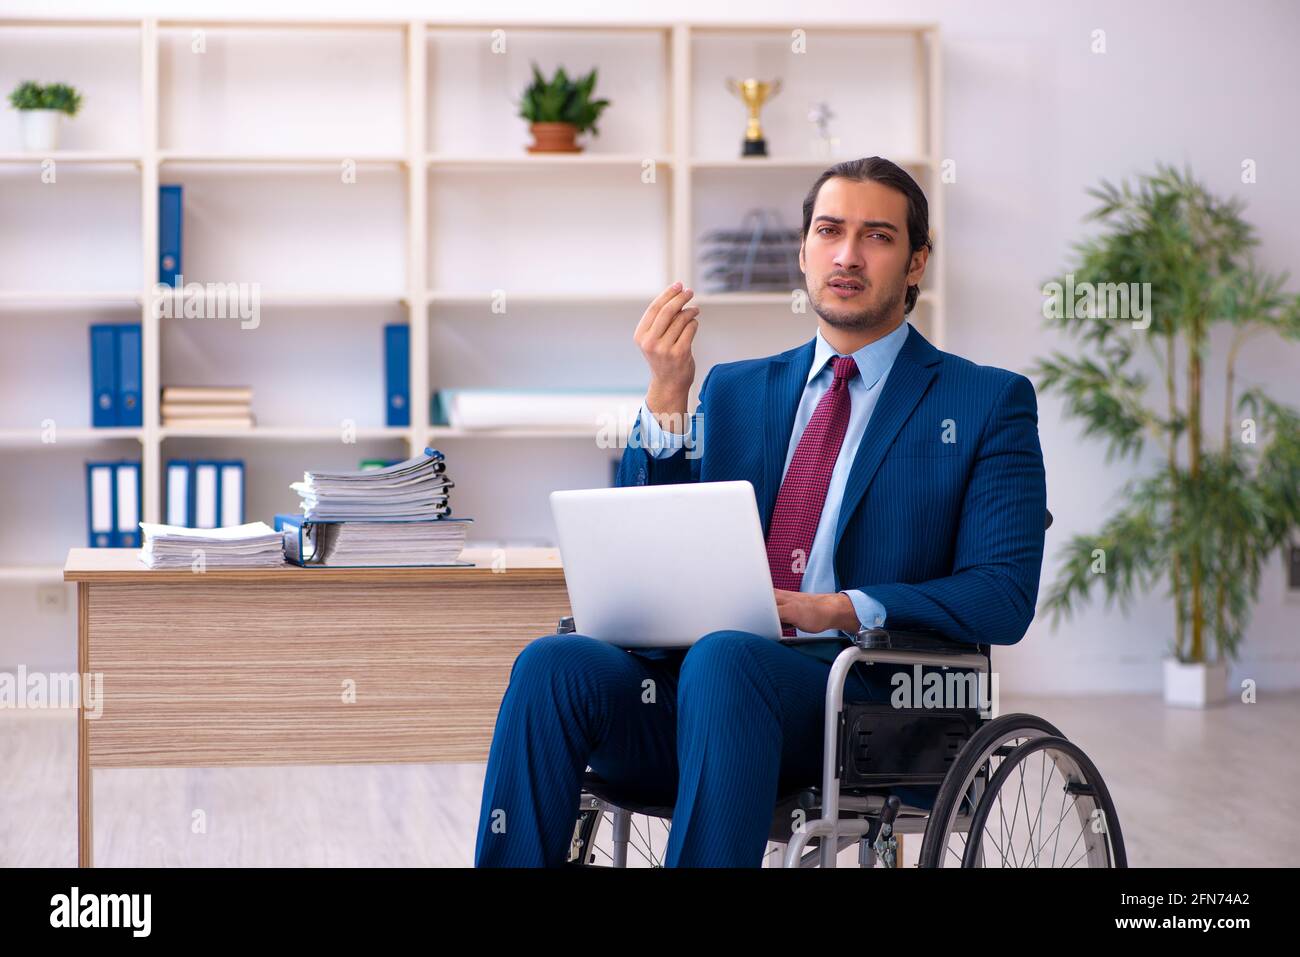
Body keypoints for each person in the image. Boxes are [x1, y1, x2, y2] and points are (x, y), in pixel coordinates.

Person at [475, 156, 1047, 867]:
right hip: (696, 697)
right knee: (552, 665)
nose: (846, 253)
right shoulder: (734, 388)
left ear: (915, 262)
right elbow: (647, 542)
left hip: (861, 705)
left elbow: (1002, 596)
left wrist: (835, 607)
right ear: (803, 253)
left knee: (726, 656)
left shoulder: (985, 402)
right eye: (829, 231)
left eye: (876, 236)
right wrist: (666, 397)